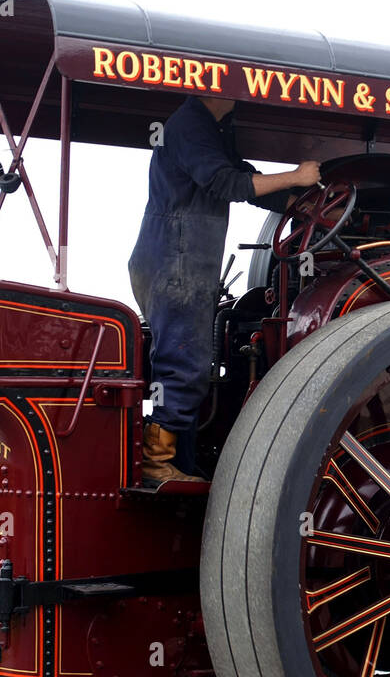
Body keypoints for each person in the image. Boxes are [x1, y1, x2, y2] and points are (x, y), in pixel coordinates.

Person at [129, 96, 321, 485]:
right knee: (185, 363)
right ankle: (155, 464)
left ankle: (178, 466)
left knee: (180, 360)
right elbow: (228, 183)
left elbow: (244, 180)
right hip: (176, 261)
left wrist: (302, 204)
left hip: (172, 257)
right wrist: (298, 177)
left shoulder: (210, 127)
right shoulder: (190, 123)